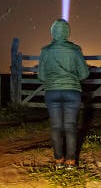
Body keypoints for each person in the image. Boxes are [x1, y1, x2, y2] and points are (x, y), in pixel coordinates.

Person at [38, 19, 90, 169]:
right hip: (72, 92)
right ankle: (71, 161)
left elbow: (41, 76)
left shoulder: (45, 50)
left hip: (52, 92)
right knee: (70, 126)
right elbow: (84, 73)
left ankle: (58, 160)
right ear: (67, 32)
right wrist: (71, 78)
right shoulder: (75, 49)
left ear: (52, 32)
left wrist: (53, 79)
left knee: (56, 127)